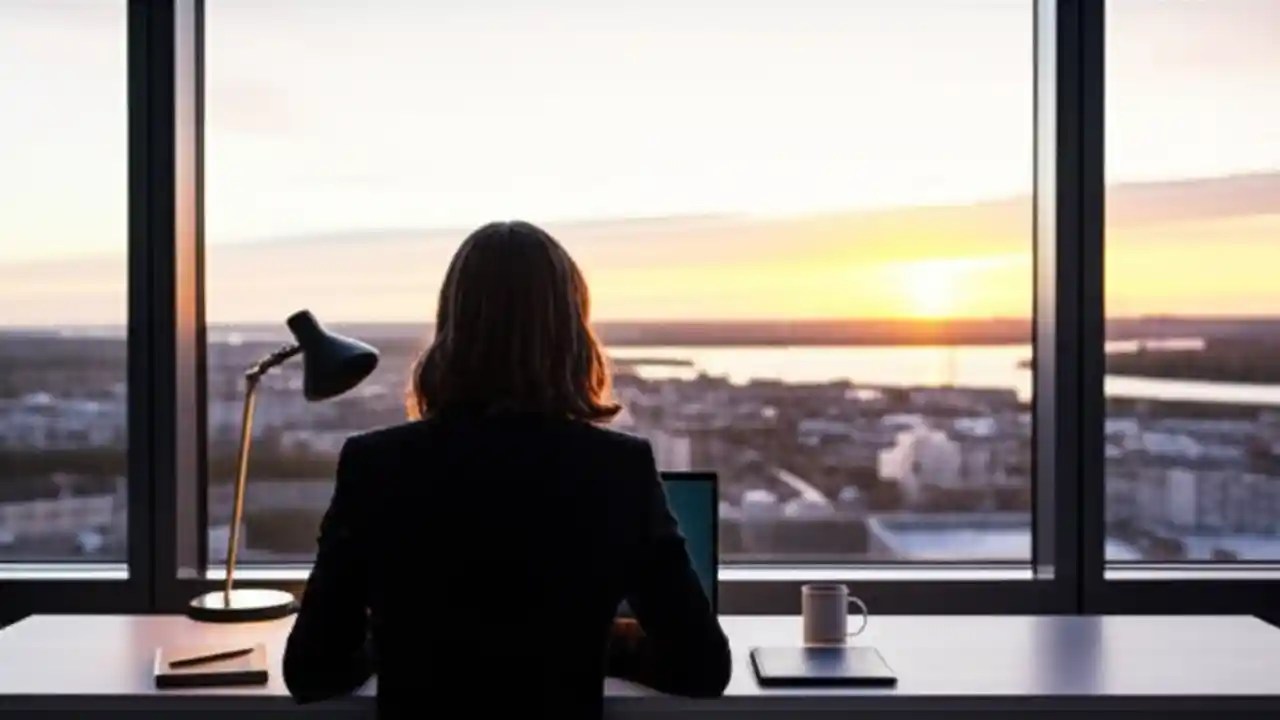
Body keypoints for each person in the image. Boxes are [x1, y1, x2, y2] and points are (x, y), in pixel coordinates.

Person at [282, 220, 732, 718]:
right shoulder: (617, 469)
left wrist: (395, 639)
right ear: (572, 333)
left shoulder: (375, 465)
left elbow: (312, 670)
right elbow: (702, 665)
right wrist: (595, 641)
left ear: (450, 326)